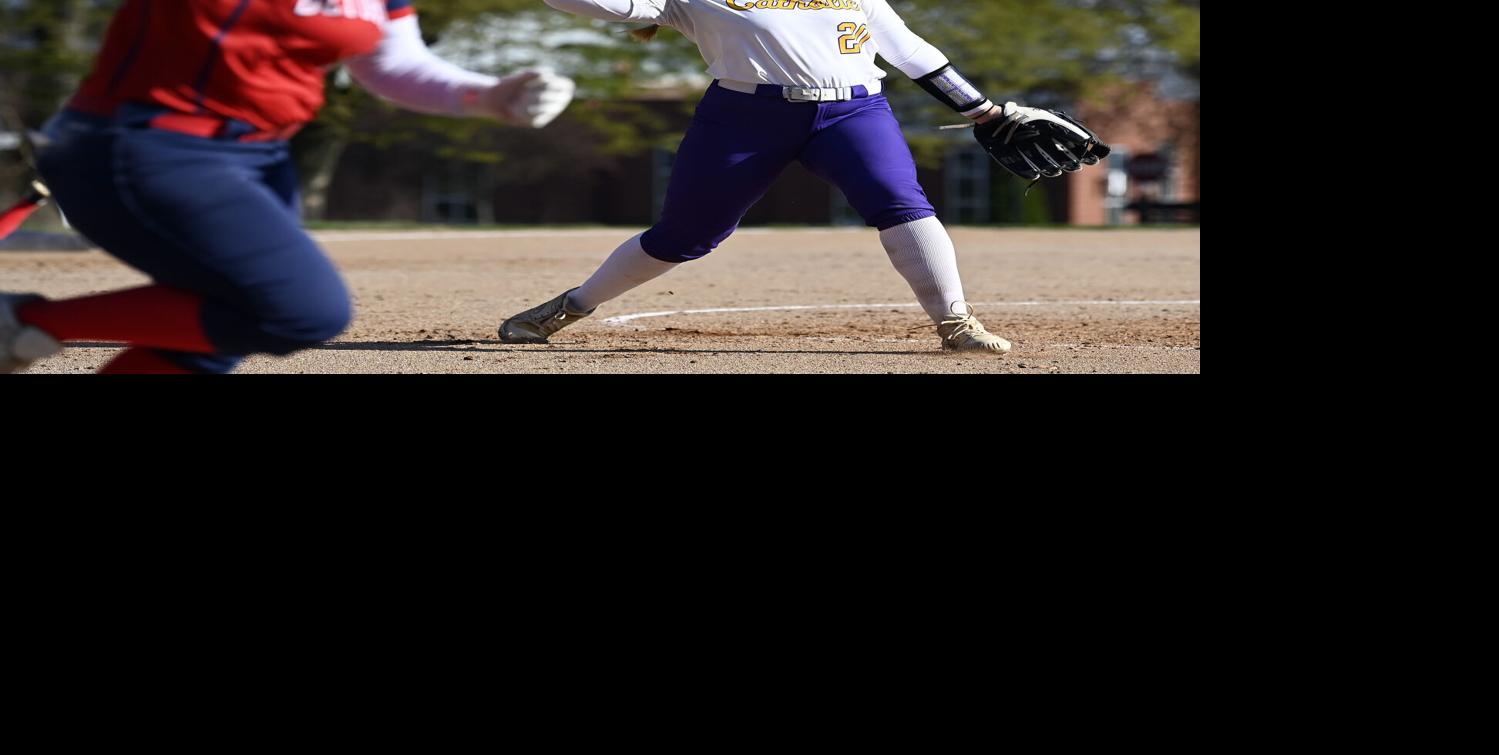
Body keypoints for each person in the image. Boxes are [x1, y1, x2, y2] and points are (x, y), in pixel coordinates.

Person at [1, 0, 575, 374]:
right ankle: (25, 324)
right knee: (299, 312)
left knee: (210, 338)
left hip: (256, 157)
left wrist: (488, 95)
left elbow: (394, 64)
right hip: (142, 145)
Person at [499, 0, 1103, 355]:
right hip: (742, 115)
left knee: (901, 203)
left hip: (854, 109)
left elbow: (908, 49)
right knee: (685, 235)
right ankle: (570, 306)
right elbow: (601, 4)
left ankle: (955, 322)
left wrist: (983, 110)